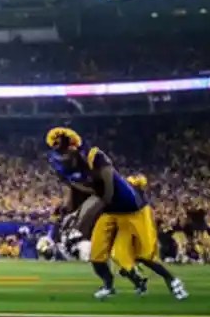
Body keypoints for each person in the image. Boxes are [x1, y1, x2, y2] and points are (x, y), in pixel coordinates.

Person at [46, 127, 187, 300]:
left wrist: (79, 224)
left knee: (143, 255)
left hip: (132, 210)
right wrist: (64, 213)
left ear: (73, 148)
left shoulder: (94, 157)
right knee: (96, 255)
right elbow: (72, 194)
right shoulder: (66, 170)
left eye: (64, 152)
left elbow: (107, 194)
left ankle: (173, 281)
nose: (62, 158)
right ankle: (108, 286)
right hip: (109, 212)